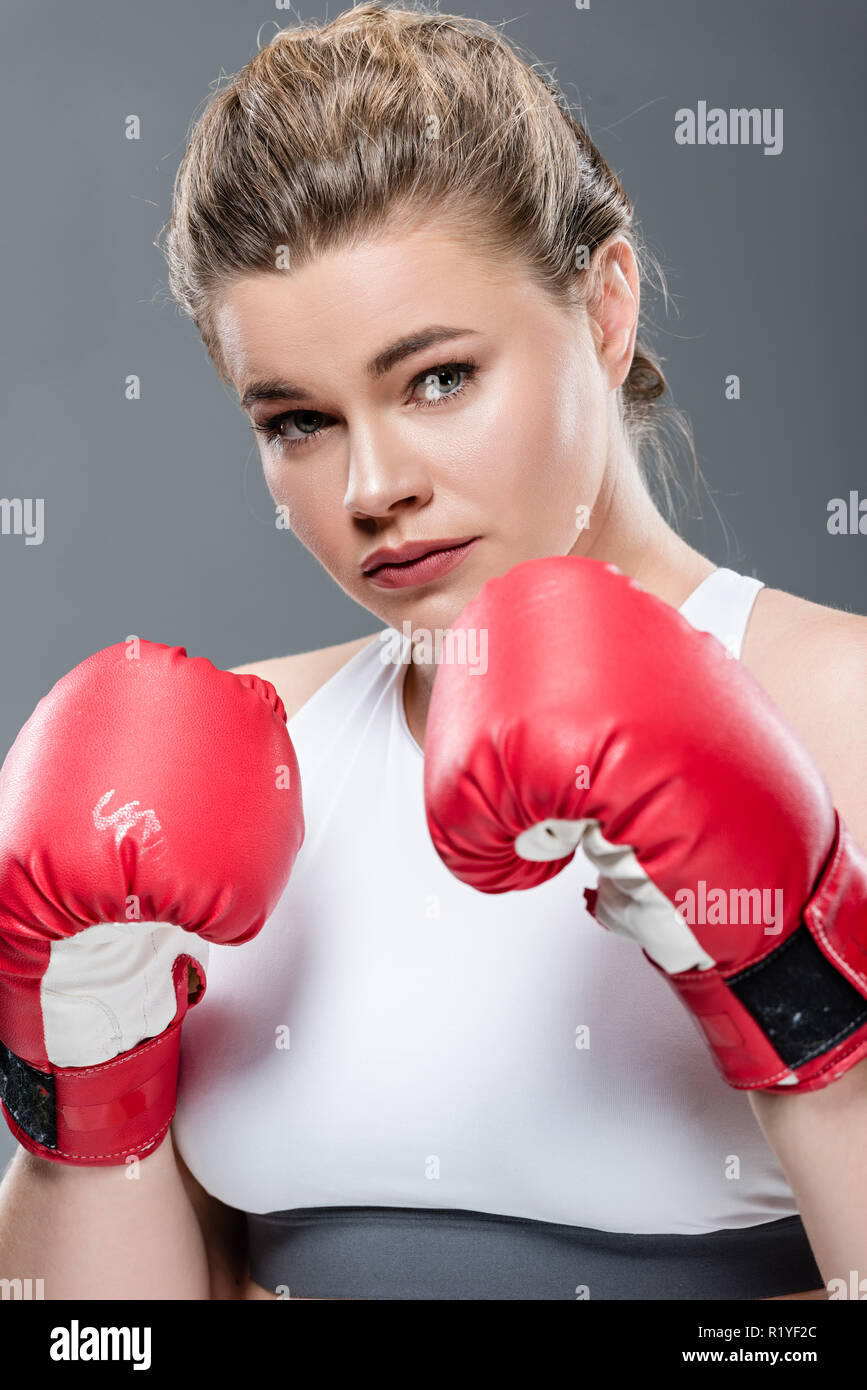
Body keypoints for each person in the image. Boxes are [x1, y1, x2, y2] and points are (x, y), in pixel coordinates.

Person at [1, 2, 864, 1301]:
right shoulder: (237, 763)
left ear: (606, 308)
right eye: (296, 418)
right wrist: (77, 1071)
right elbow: (102, 1347)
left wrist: (803, 995)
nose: (373, 484)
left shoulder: (840, 710)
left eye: (439, 378)